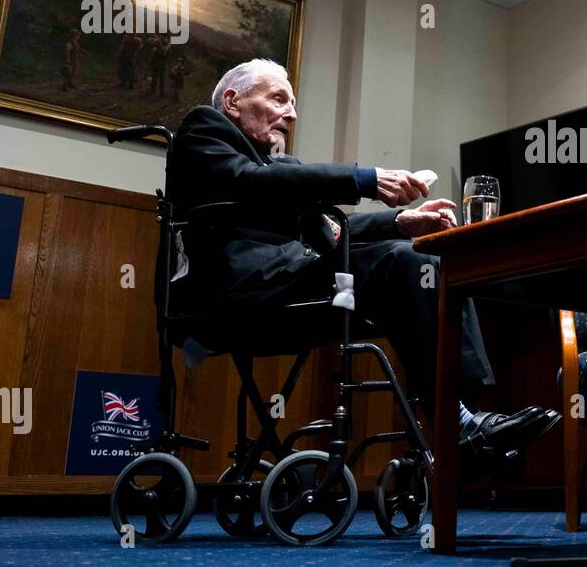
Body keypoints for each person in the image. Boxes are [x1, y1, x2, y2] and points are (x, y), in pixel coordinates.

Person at [168, 58, 560, 466]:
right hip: (232, 300)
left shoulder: (282, 168)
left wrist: (401, 221)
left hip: (287, 289)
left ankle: (464, 415)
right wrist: (366, 179)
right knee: (405, 263)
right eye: (279, 98)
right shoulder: (205, 131)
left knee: (423, 257)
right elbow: (248, 181)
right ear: (232, 101)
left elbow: (331, 234)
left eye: (294, 103)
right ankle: (458, 425)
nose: (292, 113)